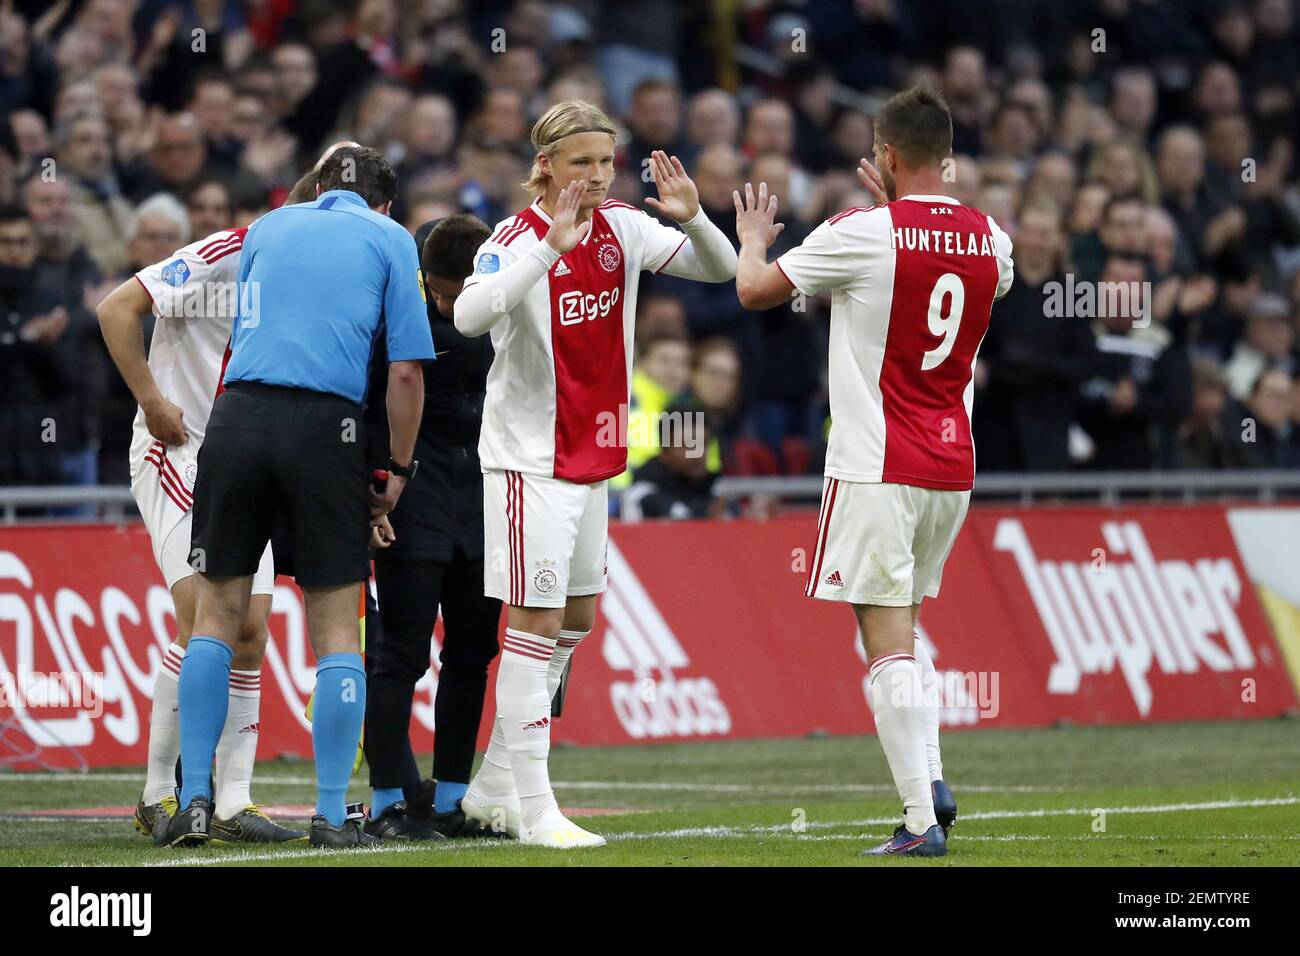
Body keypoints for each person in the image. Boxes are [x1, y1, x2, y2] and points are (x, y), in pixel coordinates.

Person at [733, 86, 1014, 857]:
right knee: (906, 624)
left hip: (877, 462)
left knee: (884, 636)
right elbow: (950, 274)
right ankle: (934, 779)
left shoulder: (861, 230)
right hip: (951, 465)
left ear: (885, 157)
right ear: (945, 156)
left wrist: (753, 237)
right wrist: (896, 216)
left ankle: (920, 822)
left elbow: (756, 291)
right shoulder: (993, 236)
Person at [453, 100, 737, 847]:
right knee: (536, 625)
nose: (597, 177)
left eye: (606, 163)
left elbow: (724, 268)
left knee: (574, 623)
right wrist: (549, 248)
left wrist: (695, 216)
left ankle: (491, 787)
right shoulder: (513, 239)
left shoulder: (624, 226)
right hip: (529, 461)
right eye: (582, 162)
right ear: (545, 165)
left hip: (594, 457)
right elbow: (468, 316)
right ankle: (537, 810)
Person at [162, 145, 433, 849]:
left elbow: (241, 333)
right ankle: (327, 815)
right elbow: (405, 373)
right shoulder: (390, 238)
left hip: (237, 417)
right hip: (326, 427)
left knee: (215, 616)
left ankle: (194, 800)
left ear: (314, 187)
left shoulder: (268, 229)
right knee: (338, 630)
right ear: (385, 202)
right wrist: (396, 470)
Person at [360, 214, 507, 841]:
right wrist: (372, 498)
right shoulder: (392, 311)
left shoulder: (507, 305)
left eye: (455, 290)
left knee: (472, 654)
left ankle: (451, 799)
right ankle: (389, 798)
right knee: (400, 655)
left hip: (485, 493)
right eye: (437, 289)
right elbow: (367, 407)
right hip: (411, 492)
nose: (445, 303)